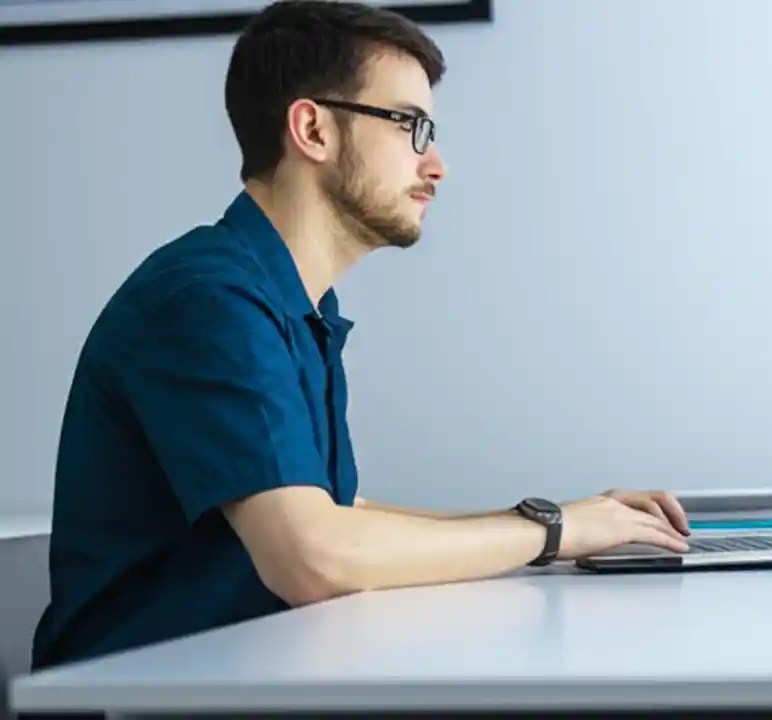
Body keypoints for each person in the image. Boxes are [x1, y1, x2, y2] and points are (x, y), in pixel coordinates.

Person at [30, 0, 690, 673]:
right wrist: (552, 532)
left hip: (247, 675)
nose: (436, 165)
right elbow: (312, 557)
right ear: (312, 129)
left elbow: (339, 517)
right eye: (411, 126)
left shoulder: (294, 302)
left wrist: (564, 523)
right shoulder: (209, 300)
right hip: (135, 695)